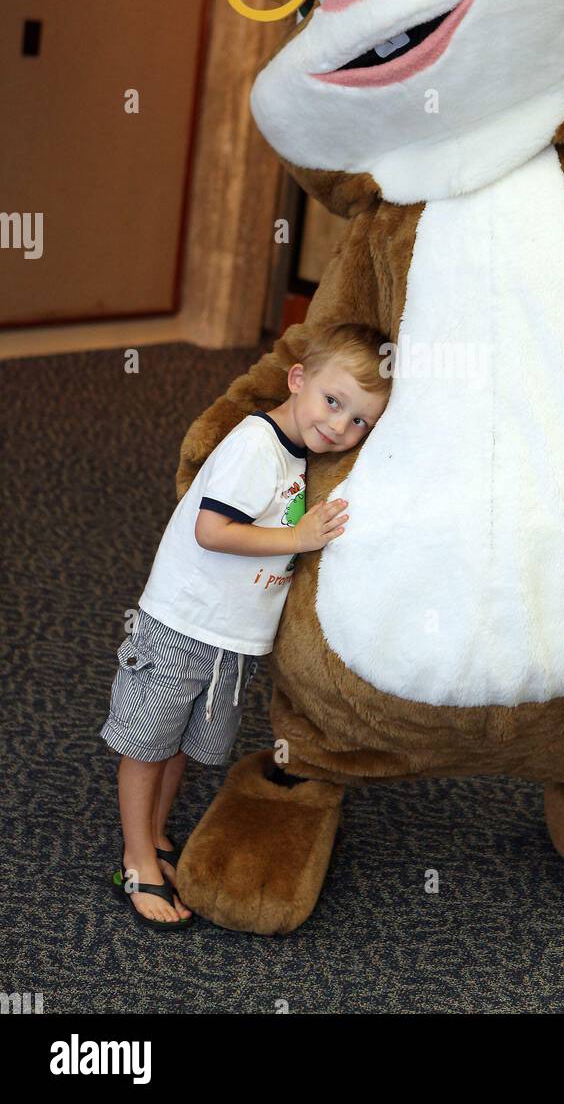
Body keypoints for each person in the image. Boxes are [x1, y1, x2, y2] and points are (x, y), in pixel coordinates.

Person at [101, 322, 391, 929]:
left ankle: (154, 836)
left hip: (226, 637)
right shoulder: (255, 446)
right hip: (182, 624)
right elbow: (212, 530)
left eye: (360, 420)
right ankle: (135, 858)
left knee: (178, 745)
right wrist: (298, 536)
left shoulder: (299, 455)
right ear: (297, 379)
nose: (339, 426)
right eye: (333, 402)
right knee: (147, 745)